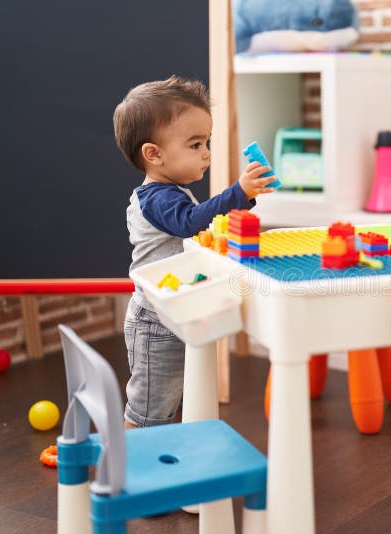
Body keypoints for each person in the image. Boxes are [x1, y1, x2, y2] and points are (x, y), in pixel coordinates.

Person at [113, 75, 275, 429]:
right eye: (195, 144)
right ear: (154, 154)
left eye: (207, 142)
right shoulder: (156, 199)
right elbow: (191, 222)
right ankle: (132, 460)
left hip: (176, 311)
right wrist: (239, 192)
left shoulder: (170, 192)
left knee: (173, 400)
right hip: (156, 322)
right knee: (148, 411)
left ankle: (165, 453)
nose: (206, 153)